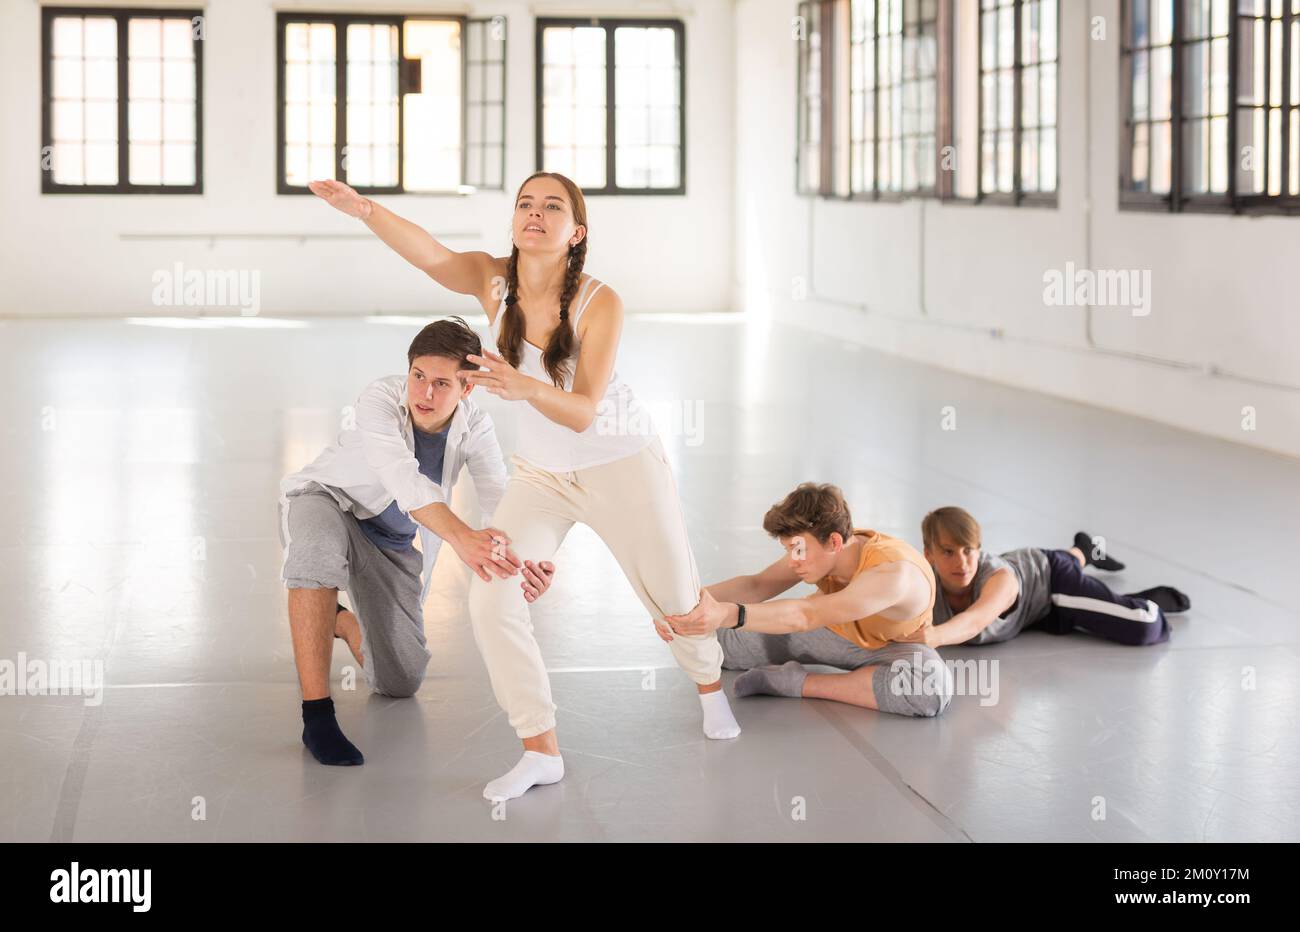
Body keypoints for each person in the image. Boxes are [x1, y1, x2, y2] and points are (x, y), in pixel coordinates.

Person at [308, 171, 740, 804]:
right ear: (513, 221)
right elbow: (430, 254)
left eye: (552, 207)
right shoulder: (493, 281)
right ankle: (541, 750)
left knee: (674, 597)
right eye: (525, 204)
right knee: (492, 594)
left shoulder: (601, 302)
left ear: (576, 232)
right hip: (542, 475)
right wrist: (365, 209)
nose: (534, 214)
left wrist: (521, 385)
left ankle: (709, 686)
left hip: (622, 462)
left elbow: (585, 409)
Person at [278, 316, 555, 766]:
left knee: (400, 681)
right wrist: (464, 539)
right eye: (418, 377)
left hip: (390, 541)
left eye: (442, 383)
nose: (425, 393)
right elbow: (403, 479)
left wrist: (526, 562)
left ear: (468, 389)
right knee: (316, 558)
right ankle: (317, 718)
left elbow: (499, 504)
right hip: (328, 501)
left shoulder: (477, 429)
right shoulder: (379, 399)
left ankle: (341, 620)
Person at [659, 482, 953, 717]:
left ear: (834, 541)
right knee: (723, 646)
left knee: (929, 691)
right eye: (788, 549)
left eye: (797, 549)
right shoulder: (819, 551)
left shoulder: (892, 574)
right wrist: (678, 605)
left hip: (895, 647)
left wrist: (727, 614)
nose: (792, 560)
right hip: (834, 630)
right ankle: (862, 681)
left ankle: (795, 682)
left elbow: (806, 615)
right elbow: (757, 585)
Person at [910, 506, 1190, 648]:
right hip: (1037, 616)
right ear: (929, 554)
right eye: (948, 552)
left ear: (979, 549)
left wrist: (934, 636)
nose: (961, 562)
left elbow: (975, 621)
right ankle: (1084, 550)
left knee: (1143, 627)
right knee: (1090, 604)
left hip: (1051, 582)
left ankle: (1149, 603)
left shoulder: (999, 579)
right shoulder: (921, 584)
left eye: (968, 550)